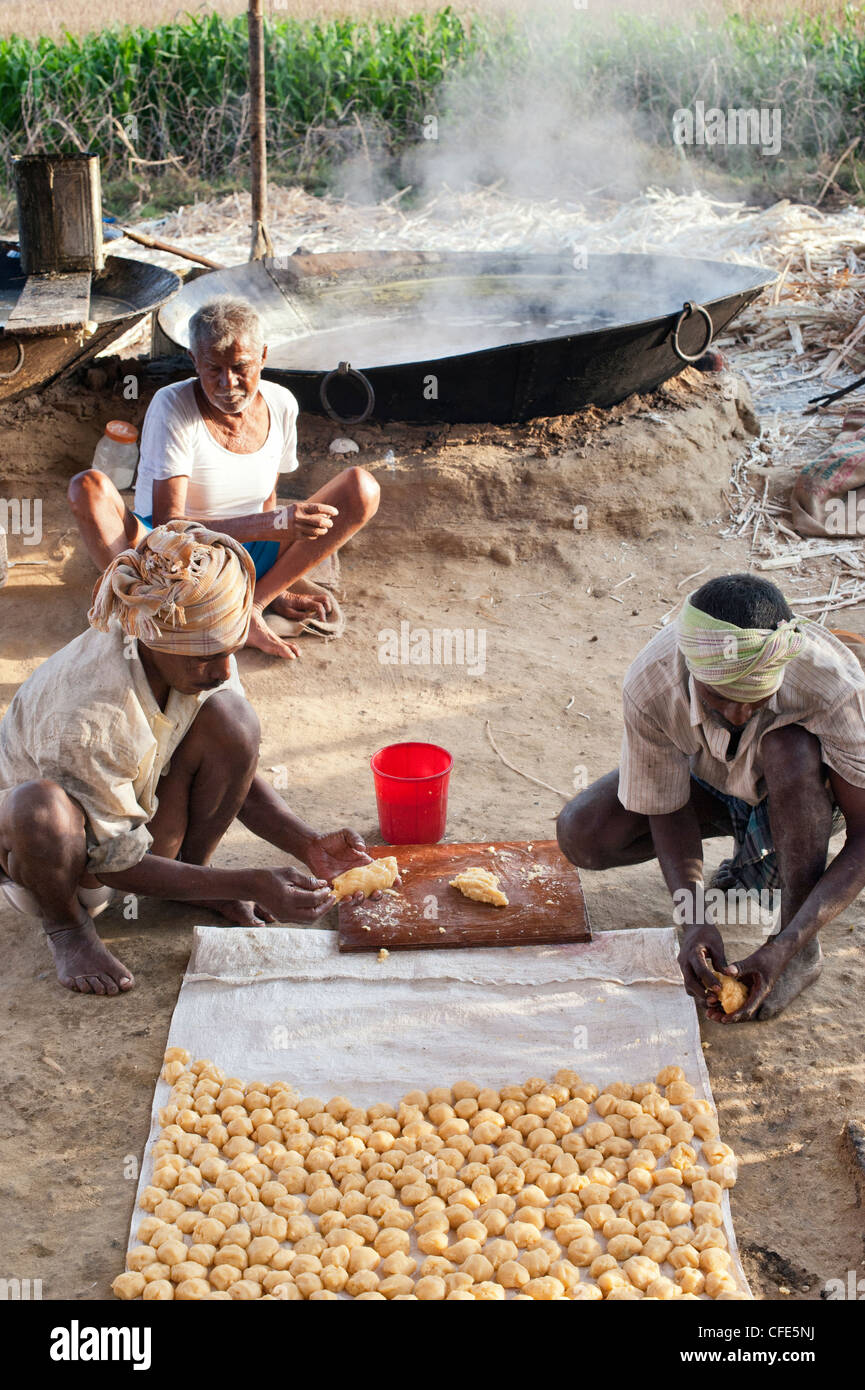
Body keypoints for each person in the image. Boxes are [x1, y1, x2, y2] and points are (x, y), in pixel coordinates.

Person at [0, 522, 381, 997]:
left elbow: (235, 768)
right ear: (155, 644)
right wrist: (251, 882)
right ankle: (67, 928)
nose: (223, 669)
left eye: (230, 650)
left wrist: (307, 844)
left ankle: (196, 876)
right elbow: (113, 859)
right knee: (37, 807)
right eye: (207, 659)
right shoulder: (89, 716)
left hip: (130, 816)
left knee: (233, 718)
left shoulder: (195, 643)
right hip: (52, 858)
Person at [557, 573, 865, 1022]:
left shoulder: (833, 686)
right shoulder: (653, 684)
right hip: (713, 782)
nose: (740, 715)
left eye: (756, 702)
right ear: (694, 672)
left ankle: (800, 949)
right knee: (583, 832)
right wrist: (694, 916)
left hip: (806, 793)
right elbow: (663, 803)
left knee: (789, 748)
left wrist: (786, 943)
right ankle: (744, 868)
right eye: (721, 699)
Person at [68, 297, 380, 660]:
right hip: (173, 557)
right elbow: (171, 528)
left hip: (250, 544)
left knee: (361, 488)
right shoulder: (172, 407)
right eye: (213, 369)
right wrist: (273, 523)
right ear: (193, 360)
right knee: (86, 488)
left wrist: (274, 569)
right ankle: (142, 603)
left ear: (263, 356)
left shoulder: (281, 403)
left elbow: (268, 493)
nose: (227, 383)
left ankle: (254, 605)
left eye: (240, 367)